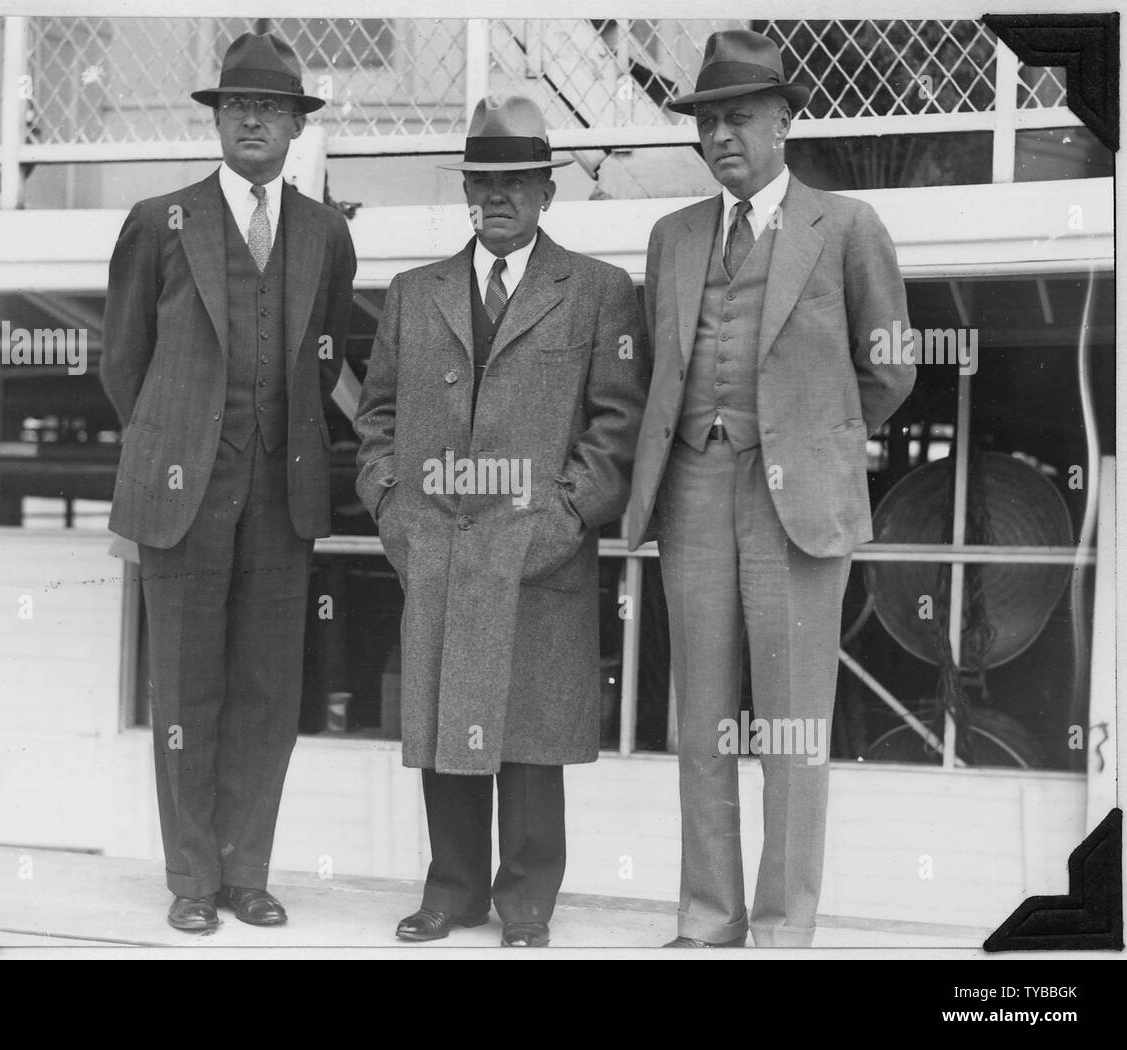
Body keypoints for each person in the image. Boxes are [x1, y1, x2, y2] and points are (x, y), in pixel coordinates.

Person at [624, 30, 916, 948]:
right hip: (694, 493)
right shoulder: (671, 238)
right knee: (702, 725)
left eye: (740, 118)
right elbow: (661, 375)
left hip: (796, 500)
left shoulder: (848, 226)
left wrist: (816, 435)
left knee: (792, 733)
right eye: (708, 123)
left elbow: (893, 367)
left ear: (786, 121)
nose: (721, 138)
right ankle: (709, 918)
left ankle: (786, 927)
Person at [355, 96, 646, 948]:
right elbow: (373, 421)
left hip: (538, 550)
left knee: (528, 732)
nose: (496, 197)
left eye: (515, 182)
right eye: (482, 181)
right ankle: (451, 894)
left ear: (548, 193)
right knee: (447, 723)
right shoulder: (415, 294)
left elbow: (615, 427)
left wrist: (558, 522)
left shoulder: (597, 292)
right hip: (435, 545)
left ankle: (526, 902)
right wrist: (393, 511)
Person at [100, 32, 356, 932]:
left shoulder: (326, 234)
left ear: (295, 125)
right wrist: (176, 438)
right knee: (186, 689)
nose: (253, 119)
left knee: (264, 690)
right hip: (184, 494)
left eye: (272, 108)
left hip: (282, 492)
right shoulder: (157, 219)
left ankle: (248, 873)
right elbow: (124, 363)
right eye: (237, 106)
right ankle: (192, 881)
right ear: (217, 119)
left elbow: (323, 357)